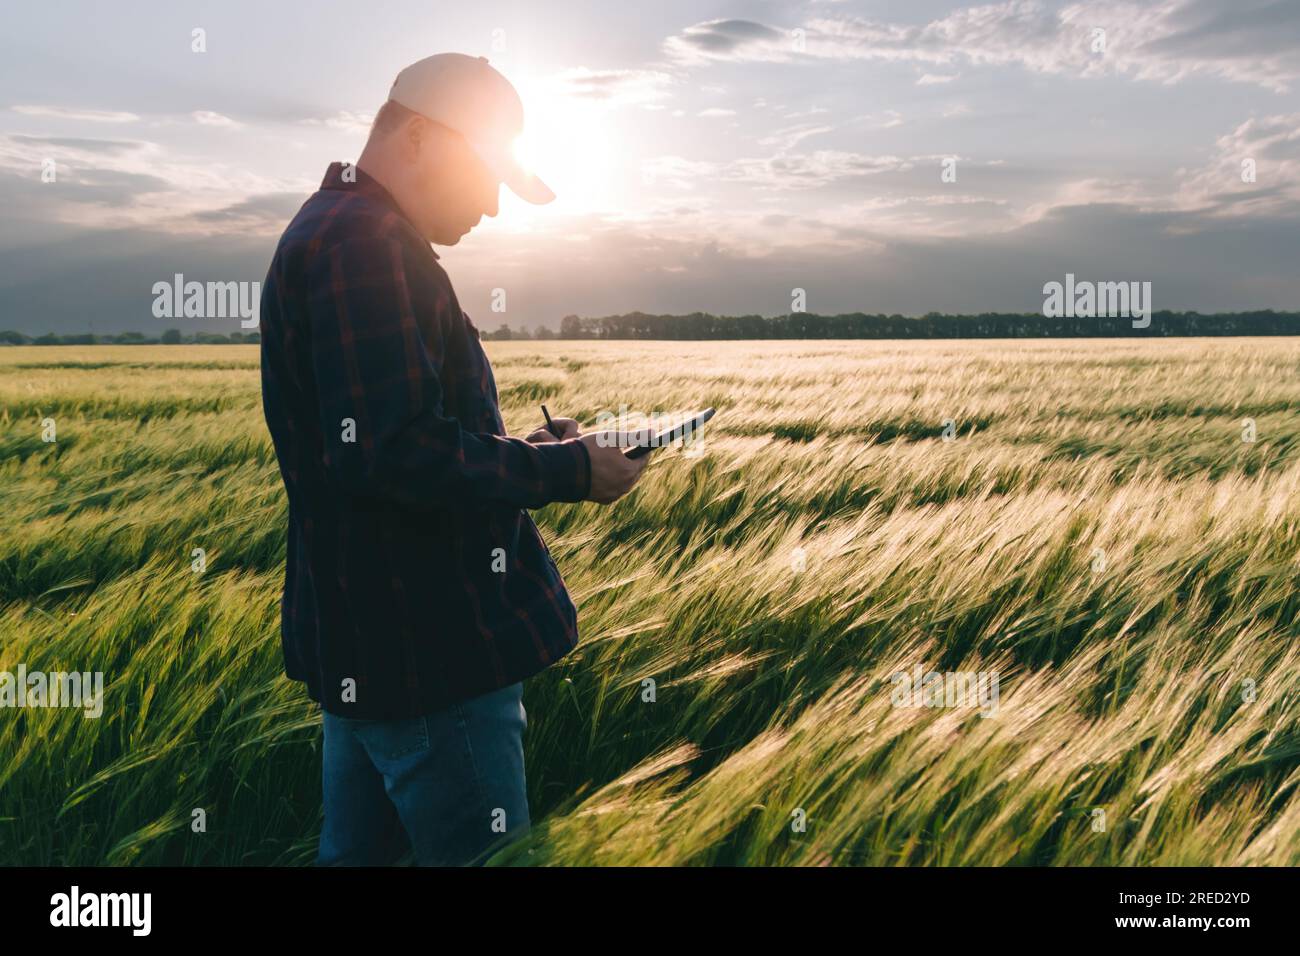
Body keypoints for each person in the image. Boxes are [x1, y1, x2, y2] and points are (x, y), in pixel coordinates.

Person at [258, 53, 648, 865]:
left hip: (372, 653)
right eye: (487, 175)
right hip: (431, 660)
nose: (494, 206)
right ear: (420, 137)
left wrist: (528, 451)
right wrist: (569, 472)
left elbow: (392, 437)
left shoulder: (343, 232)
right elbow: (392, 454)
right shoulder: (364, 246)